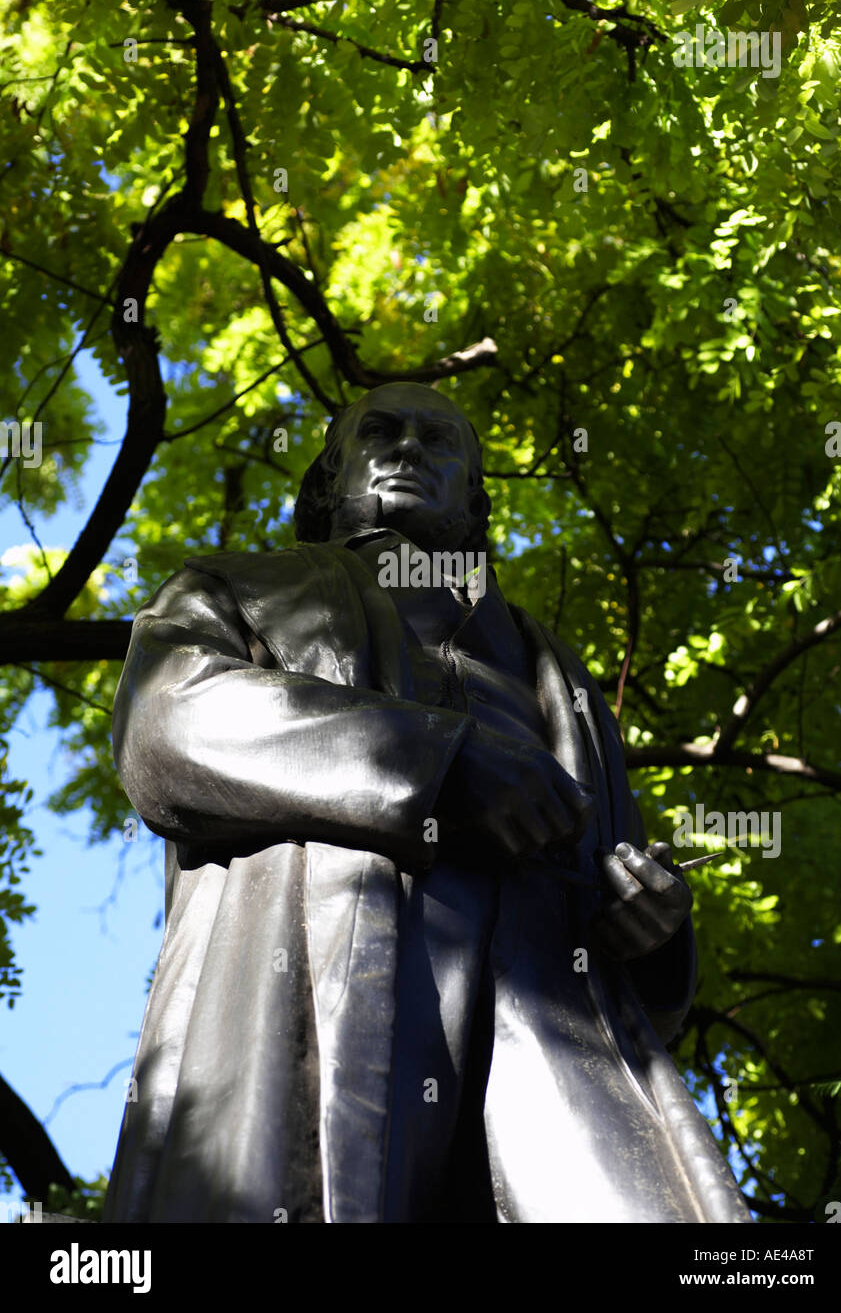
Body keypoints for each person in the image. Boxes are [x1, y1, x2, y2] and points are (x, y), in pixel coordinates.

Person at [103, 382, 750, 1223]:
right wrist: (442, 762)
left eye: (438, 439)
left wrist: (655, 928)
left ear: (476, 498)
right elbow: (166, 725)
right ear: (329, 477)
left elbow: (633, 955)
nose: (408, 447)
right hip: (321, 979)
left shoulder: (557, 671)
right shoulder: (242, 588)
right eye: (380, 431)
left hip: (550, 1028)